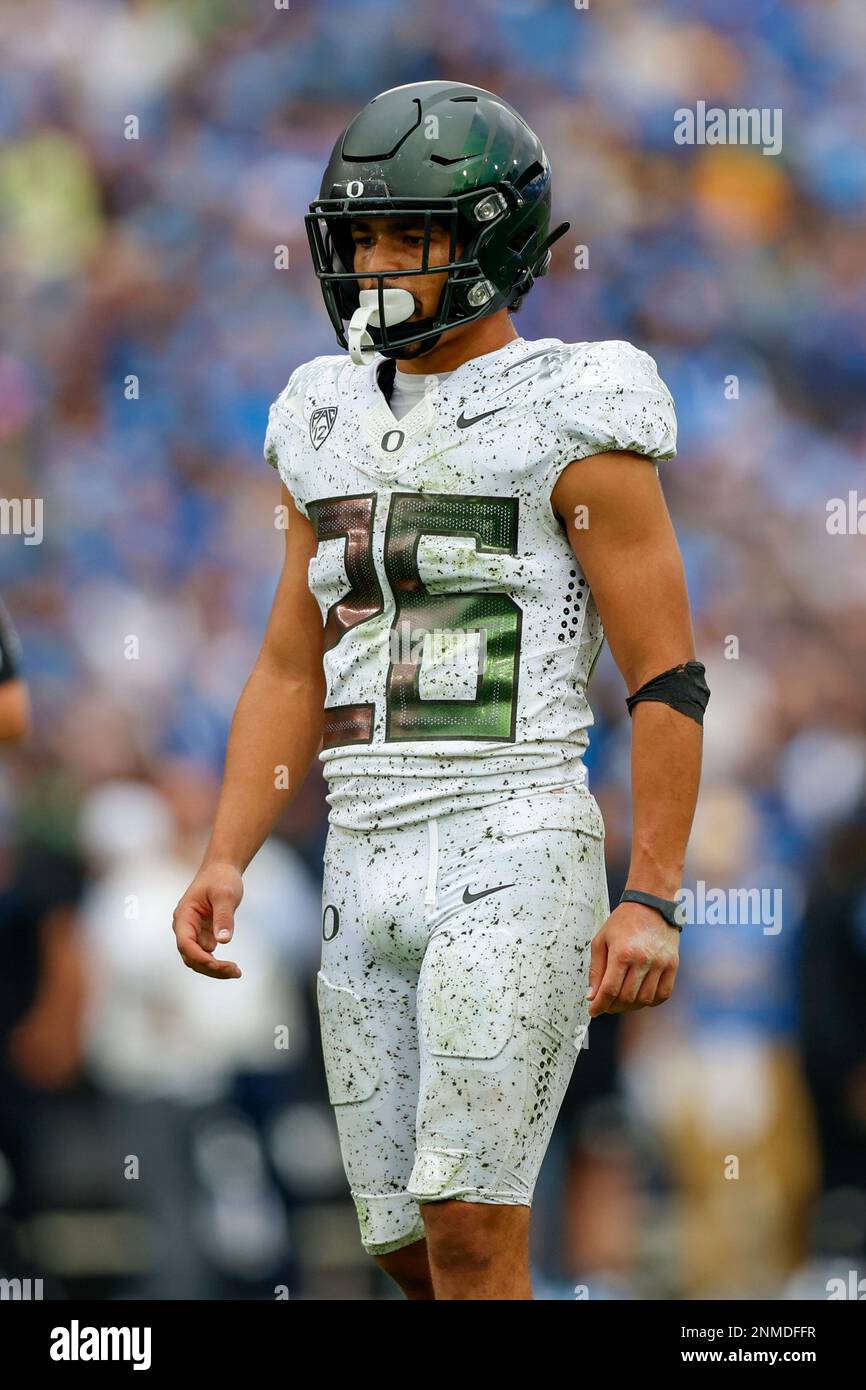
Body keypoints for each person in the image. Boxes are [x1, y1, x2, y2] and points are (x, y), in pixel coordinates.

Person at [172, 80, 709, 1301]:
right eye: (359, 234)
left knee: (473, 1232)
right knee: (407, 1254)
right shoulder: (318, 409)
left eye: (407, 234)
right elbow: (288, 659)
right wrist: (226, 854)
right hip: (359, 855)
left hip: (510, 834)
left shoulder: (577, 401)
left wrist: (654, 892)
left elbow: (666, 671)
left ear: (490, 240)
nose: (373, 262)